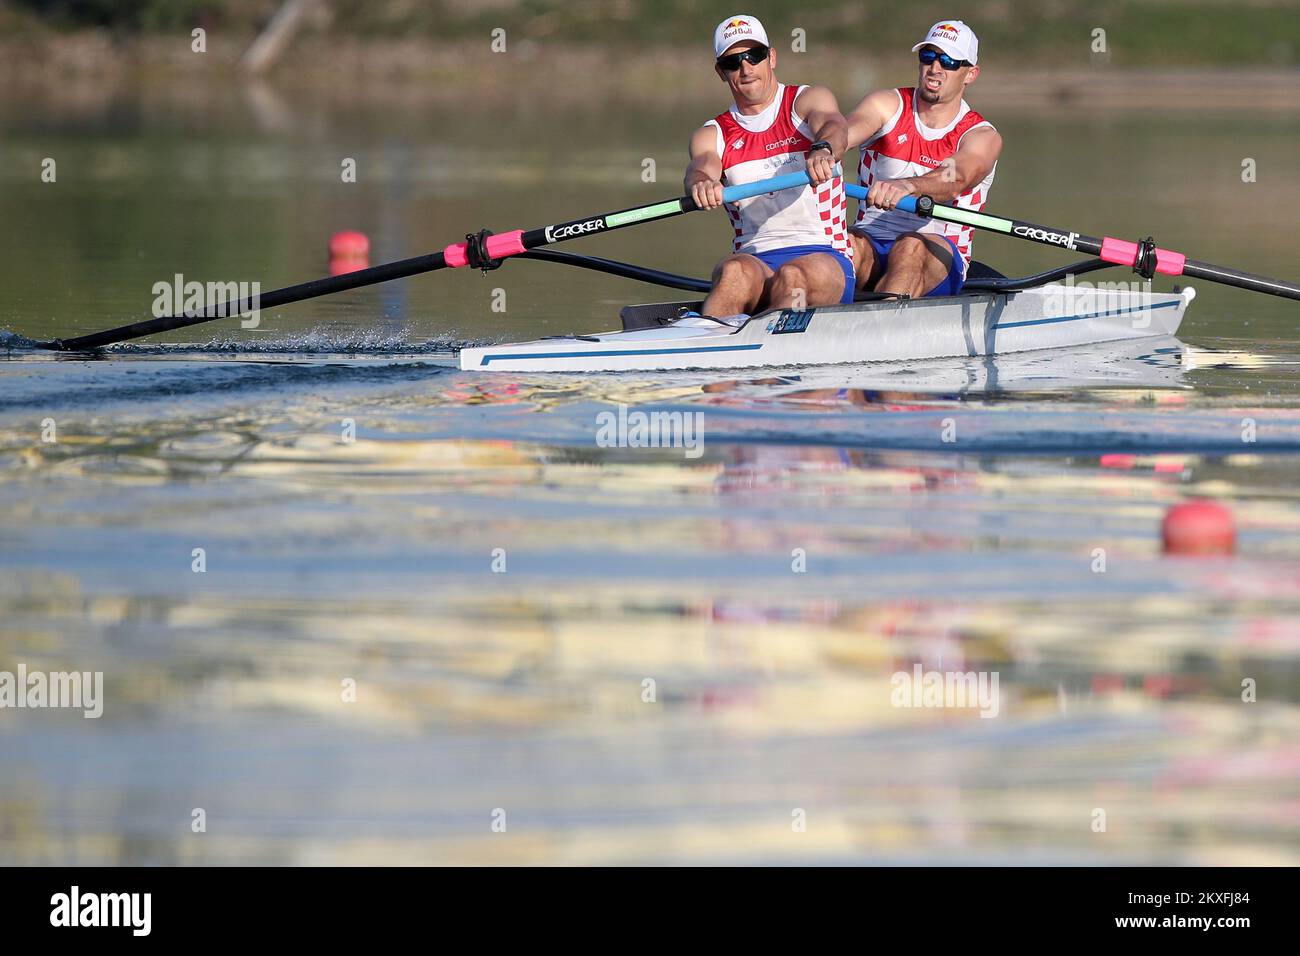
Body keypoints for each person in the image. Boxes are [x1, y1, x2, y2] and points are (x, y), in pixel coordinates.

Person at [685, 15, 854, 320]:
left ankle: (764, 353)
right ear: (720, 72)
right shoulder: (712, 134)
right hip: (755, 262)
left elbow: (833, 125)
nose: (746, 68)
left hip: (825, 256)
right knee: (733, 271)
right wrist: (702, 184)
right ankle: (702, 350)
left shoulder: (806, 101)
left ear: (772, 57)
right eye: (733, 62)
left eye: (755, 56)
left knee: (792, 277)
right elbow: (700, 169)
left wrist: (823, 148)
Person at [845, 20, 1002, 299]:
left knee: (910, 247)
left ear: (970, 74)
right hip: (871, 238)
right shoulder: (887, 105)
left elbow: (957, 179)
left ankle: (881, 325)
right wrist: (823, 149)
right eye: (928, 56)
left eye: (949, 61)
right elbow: (845, 133)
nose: (935, 67)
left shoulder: (981, 136)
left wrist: (909, 186)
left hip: (938, 253)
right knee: (838, 246)